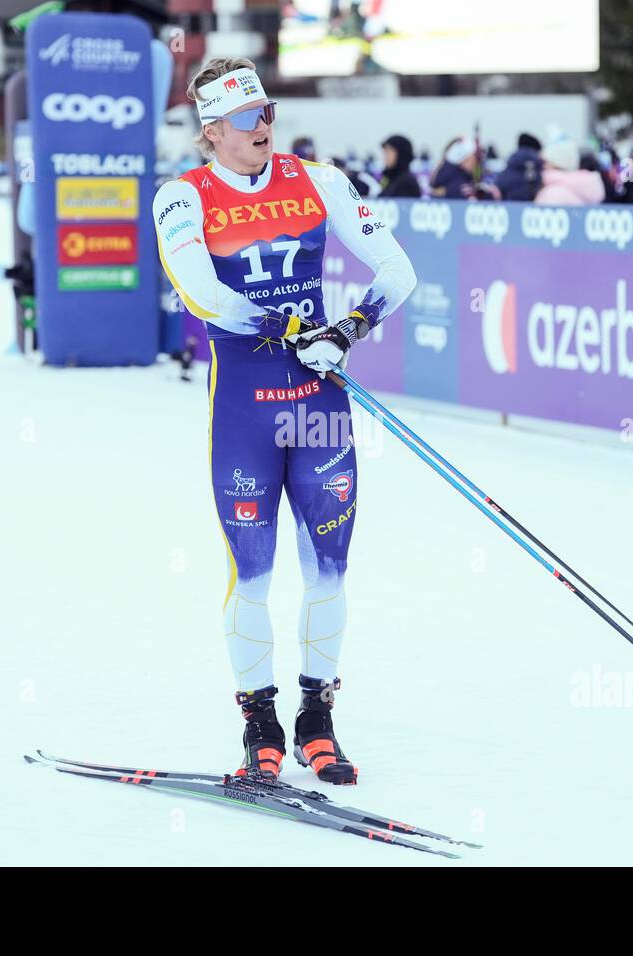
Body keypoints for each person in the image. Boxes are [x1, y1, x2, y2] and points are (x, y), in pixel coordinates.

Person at [152, 57, 417, 785]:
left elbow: (398, 272)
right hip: (244, 410)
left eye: (266, 111)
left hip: (320, 406)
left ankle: (317, 721)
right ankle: (259, 723)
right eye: (246, 118)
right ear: (211, 132)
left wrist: (348, 328)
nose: (263, 126)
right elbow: (200, 291)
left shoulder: (319, 180)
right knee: (254, 576)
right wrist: (280, 321)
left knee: (329, 573)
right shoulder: (182, 197)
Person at [534, 137, 604, 206]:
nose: (542, 166)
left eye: (545, 162)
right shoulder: (588, 185)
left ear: (557, 164)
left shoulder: (552, 194)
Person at [494, 133, 543, 202]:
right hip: (530, 206)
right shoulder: (536, 163)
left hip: (508, 206)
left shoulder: (512, 162)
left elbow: (499, 185)